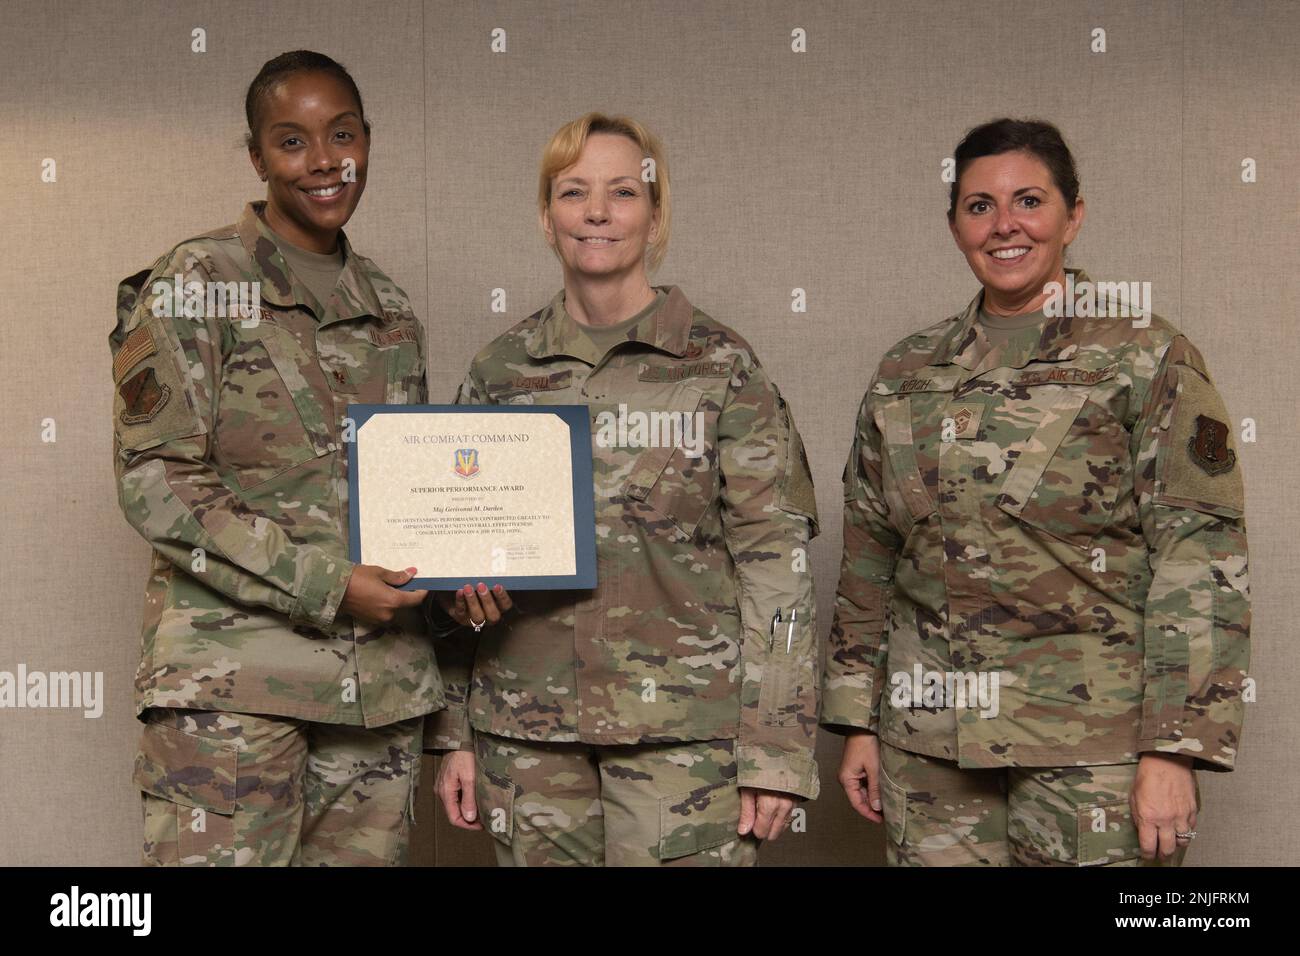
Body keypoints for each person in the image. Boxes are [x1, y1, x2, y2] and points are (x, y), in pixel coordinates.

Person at [822, 118, 1250, 866]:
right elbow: (869, 558)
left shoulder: (1146, 355)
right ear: (954, 223)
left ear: (1072, 215)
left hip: (1094, 753)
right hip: (931, 747)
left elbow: (1200, 559)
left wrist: (1175, 749)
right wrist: (858, 720)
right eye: (979, 206)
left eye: (1029, 200)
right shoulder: (907, 371)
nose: (1005, 225)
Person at [426, 113, 821, 866]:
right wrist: (454, 732)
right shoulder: (500, 372)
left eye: (622, 193)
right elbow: (450, 557)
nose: (598, 212)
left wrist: (776, 744)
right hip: (525, 731)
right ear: (547, 217)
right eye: (574, 192)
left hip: (683, 739)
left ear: (655, 213)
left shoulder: (722, 367)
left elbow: (779, 566)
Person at [110, 50, 459, 866]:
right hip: (235, 689)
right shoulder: (195, 283)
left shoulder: (389, 308)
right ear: (258, 156)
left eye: (341, 135)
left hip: (376, 694)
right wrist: (331, 585)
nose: (324, 160)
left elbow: (411, 497)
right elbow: (157, 483)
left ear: (368, 140)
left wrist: (462, 576)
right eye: (292, 141)